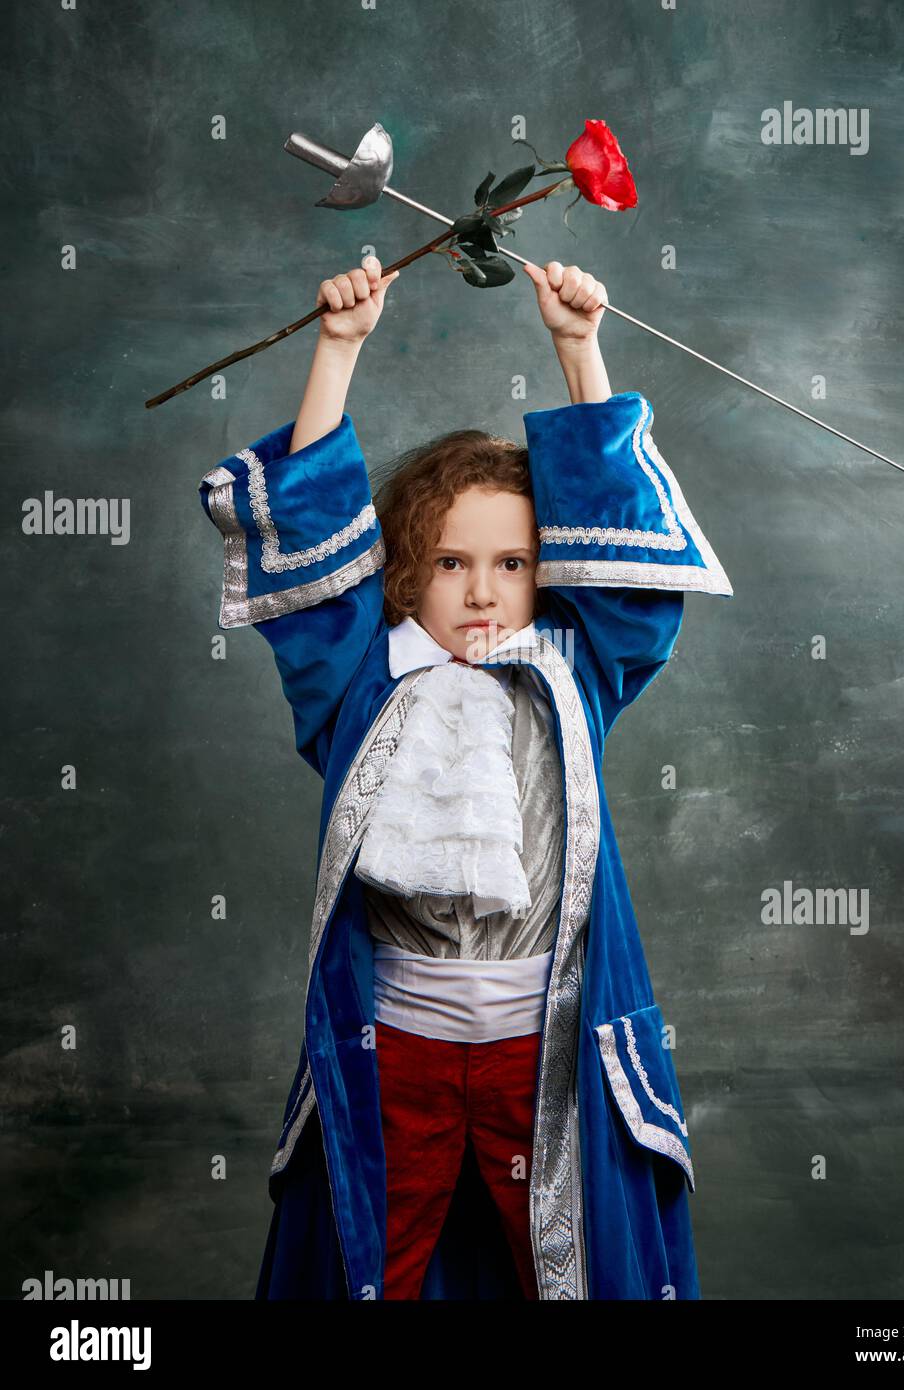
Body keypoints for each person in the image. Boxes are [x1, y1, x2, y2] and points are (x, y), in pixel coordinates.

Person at [197, 254, 734, 1300]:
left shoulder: (574, 674)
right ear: (406, 570)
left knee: (557, 1272)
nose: (482, 590)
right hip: (391, 1048)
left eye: (511, 562)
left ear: (550, 567)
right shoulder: (359, 685)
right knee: (377, 1272)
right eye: (449, 562)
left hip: (549, 1059)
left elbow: (626, 566)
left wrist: (576, 348)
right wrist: (337, 350)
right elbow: (309, 563)